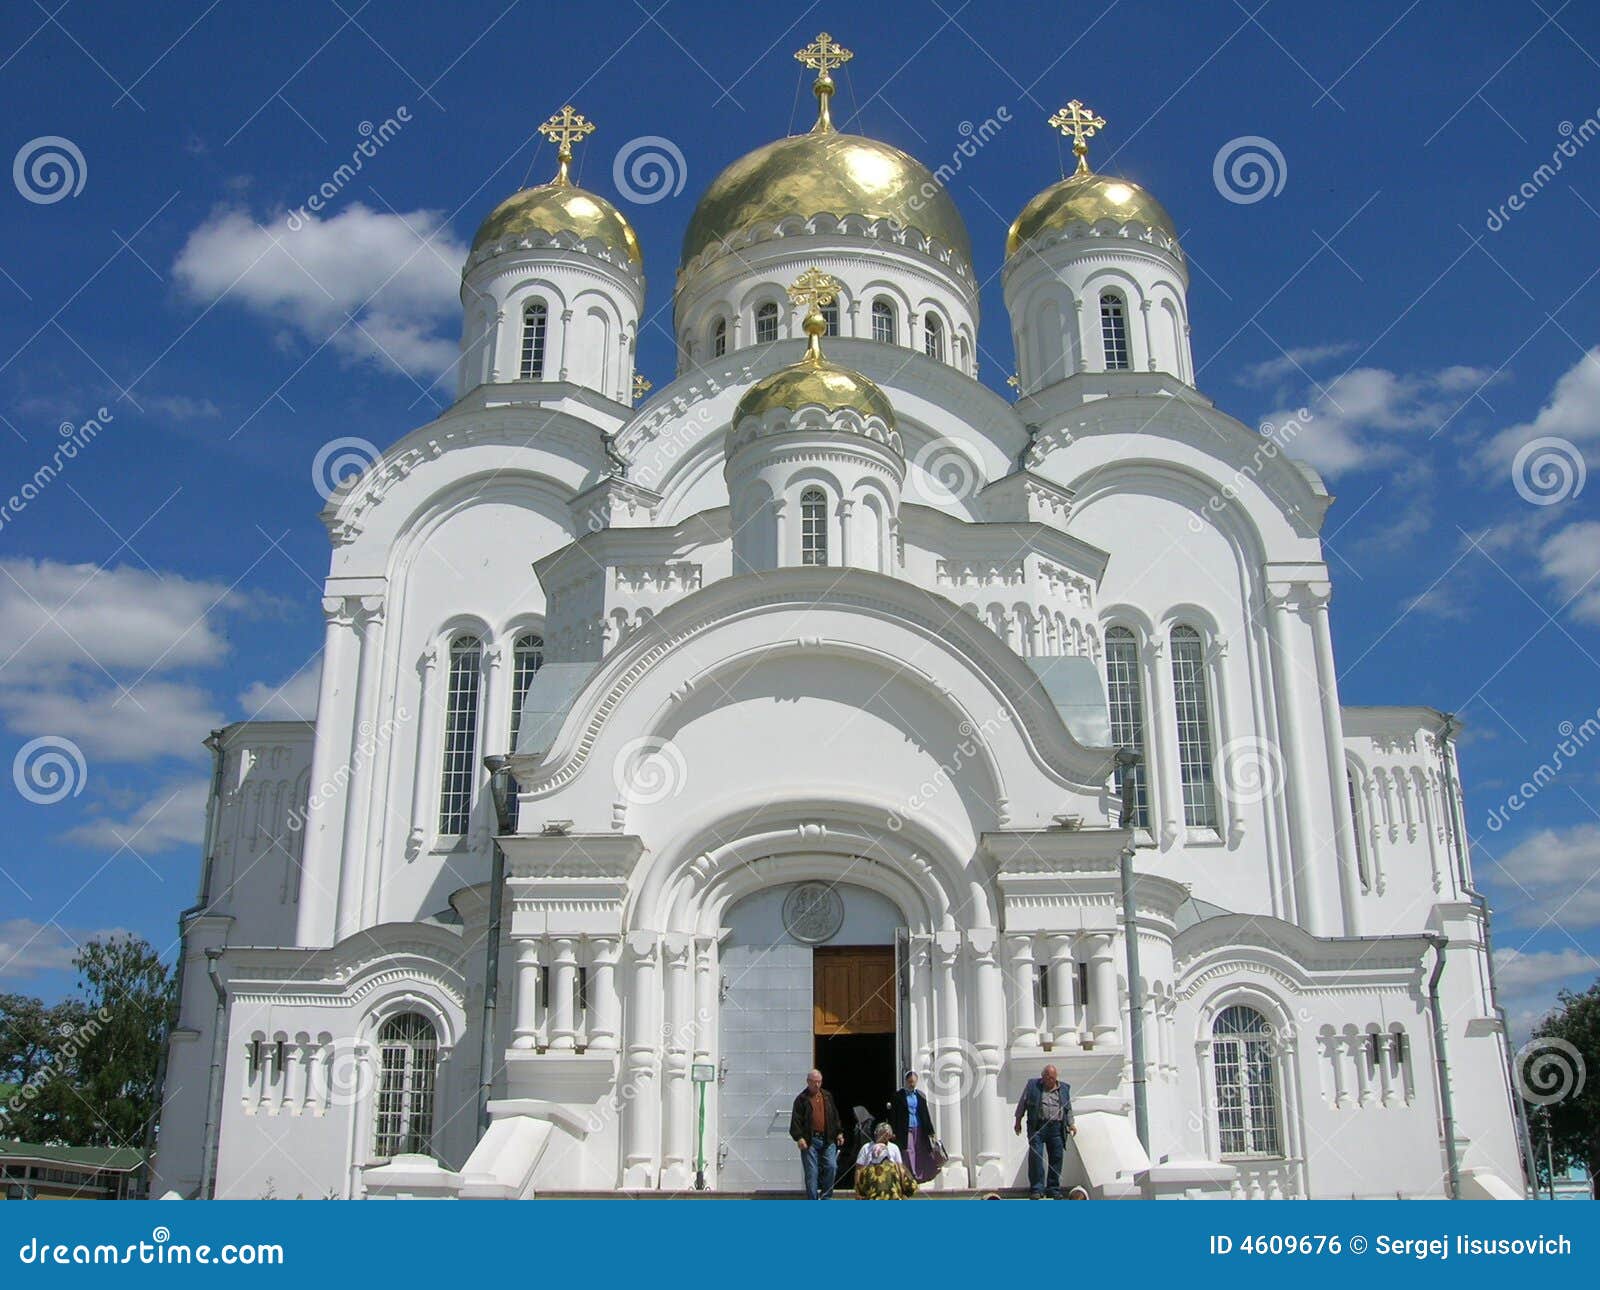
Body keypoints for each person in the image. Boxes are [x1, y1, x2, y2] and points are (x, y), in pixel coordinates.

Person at [1013, 1063, 1076, 1199]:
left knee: (1057, 1158)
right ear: (1043, 1077)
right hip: (1038, 1127)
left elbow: (1068, 1108)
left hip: (1056, 1128)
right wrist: (1018, 1121)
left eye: (1052, 1078)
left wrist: (1071, 1124)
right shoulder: (1032, 1086)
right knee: (1036, 1157)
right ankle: (1037, 1189)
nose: (1050, 1081)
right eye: (1047, 1078)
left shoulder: (1064, 1088)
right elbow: (1022, 1104)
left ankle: (1053, 1189)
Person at [789, 1068, 846, 1199]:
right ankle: (813, 1200)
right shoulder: (801, 1099)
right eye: (814, 1082)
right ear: (808, 1082)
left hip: (828, 1139)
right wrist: (799, 1138)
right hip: (810, 1140)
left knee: (832, 1167)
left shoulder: (827, 1096)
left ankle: (826, 1197)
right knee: (812, 1173)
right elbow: (796, 1121)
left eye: (819, 1082)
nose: (817, 1085)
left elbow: (834, 1116)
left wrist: (839, 1132)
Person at [889, 1070, 938, 1183]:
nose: (912, 1084)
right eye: (910, 1082)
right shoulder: (898, 1096)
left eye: (914, 1082)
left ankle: (921, 1174)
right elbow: (894, 1114)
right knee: (909, 1150)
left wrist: (931, 1131)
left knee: (920, 1149)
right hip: (906, 1127)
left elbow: (925, 1114)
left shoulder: (920, 1096)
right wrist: (893, 1130)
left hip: (919, 1127)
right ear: (906, 1081)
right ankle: (910, 1174)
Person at [854, 1122, 917, 1199]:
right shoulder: (866, 1148)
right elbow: (858, 1170)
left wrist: (902, 1189)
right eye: (881, 1134)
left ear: (889, 1136)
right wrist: (858, 1191)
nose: (883, 1136)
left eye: (886, 1134)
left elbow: (900, 1169)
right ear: (875, 1133)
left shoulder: (894, 1148)